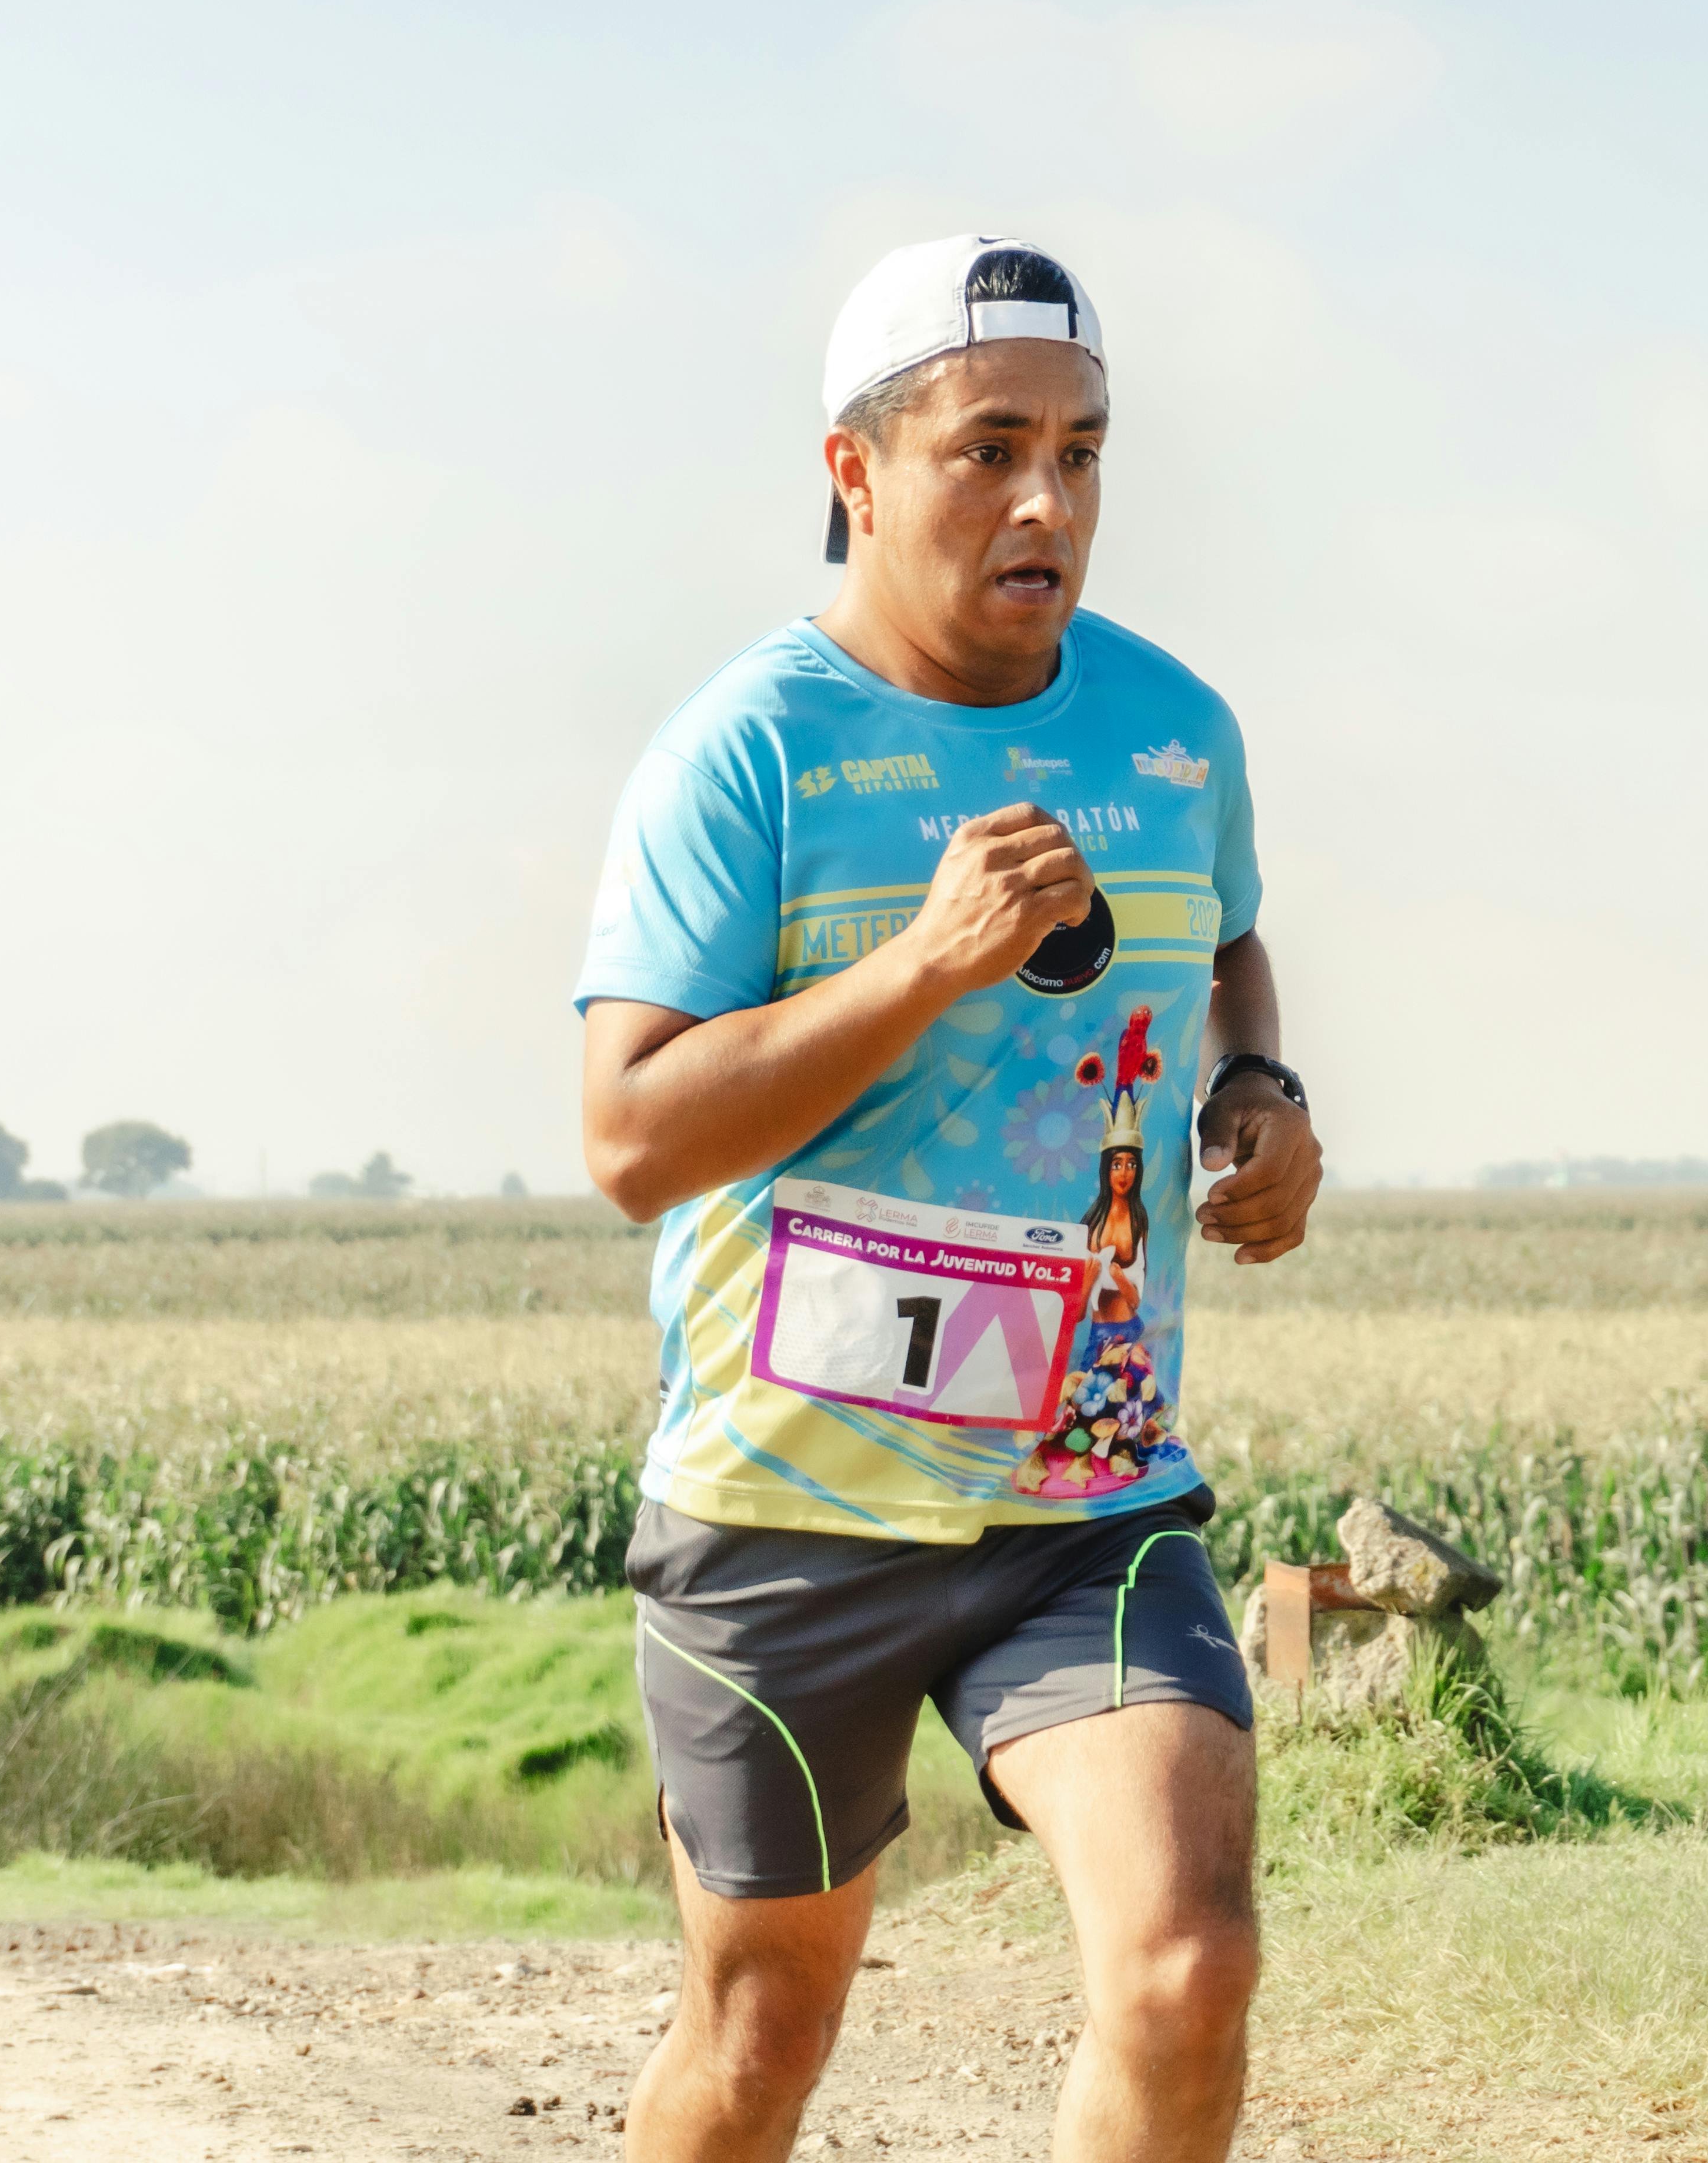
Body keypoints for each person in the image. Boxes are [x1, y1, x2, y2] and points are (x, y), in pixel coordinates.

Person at [576, 234, 1322, 2163]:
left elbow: (1227, 942)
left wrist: (1261, 1086)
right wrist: (922, 964)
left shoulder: (1178, 730)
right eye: (989, 449)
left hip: (1087, 1494)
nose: (1047, 502)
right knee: (758, 2042)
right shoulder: (747, 751)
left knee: (1184, 1967)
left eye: (1081, 453)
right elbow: (633, 1136)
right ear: (856, 471)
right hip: (785, 1511)